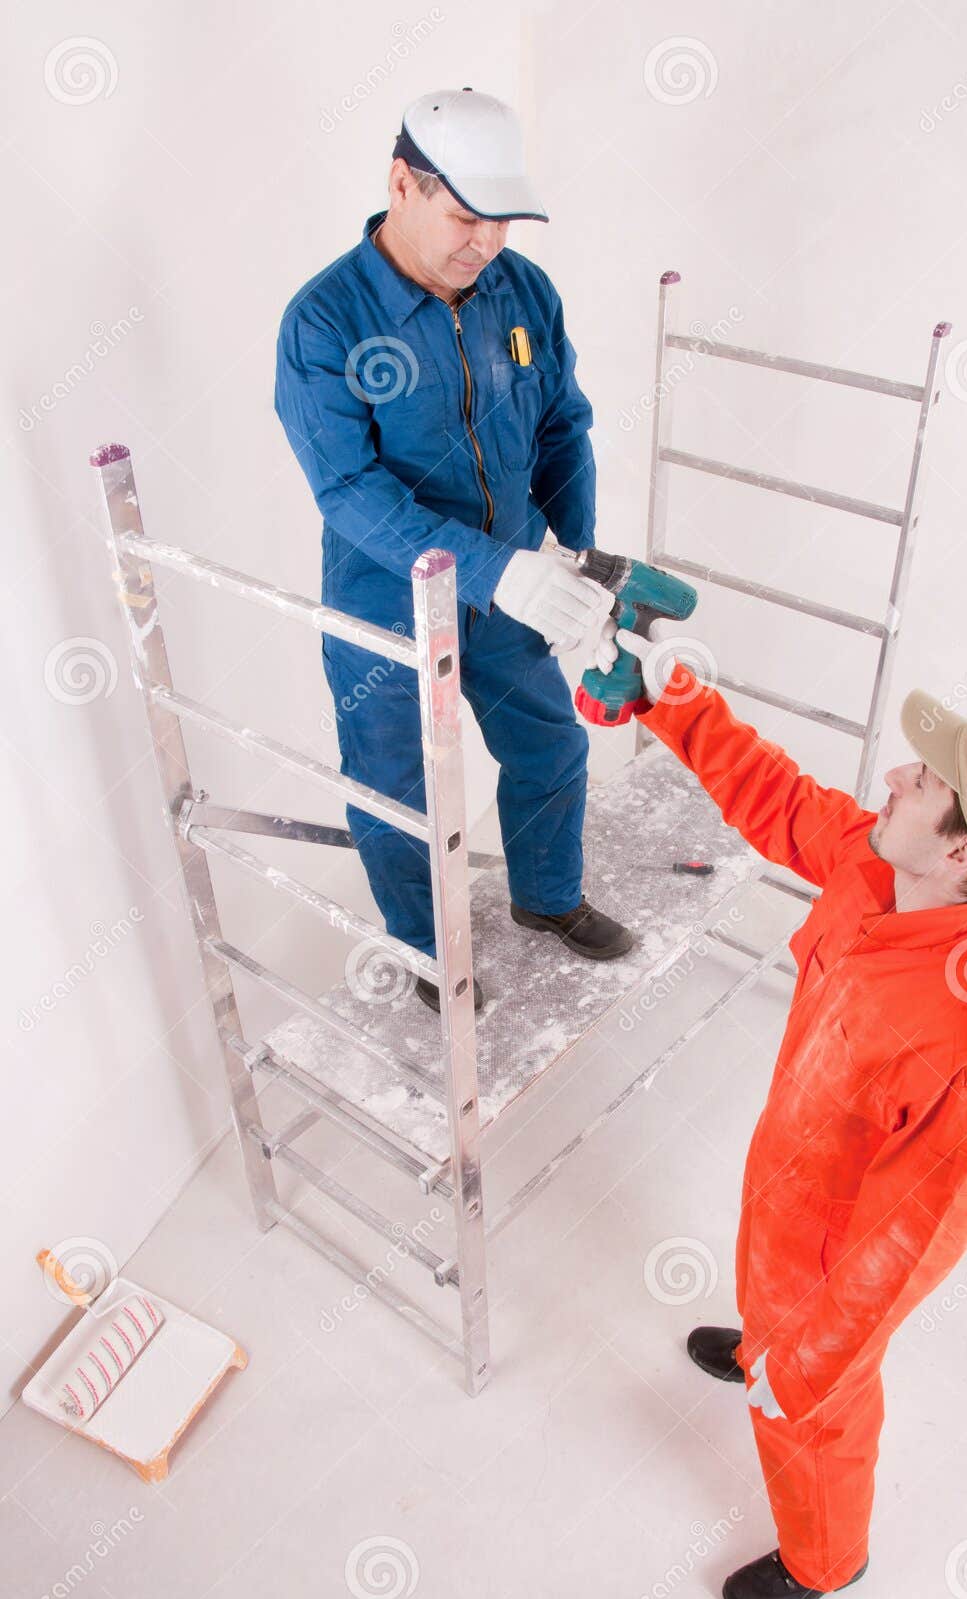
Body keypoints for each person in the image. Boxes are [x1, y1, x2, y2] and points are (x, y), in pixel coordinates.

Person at [607, 619, 967, 1599]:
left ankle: (824, 1560)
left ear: (965, 851)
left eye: (925, 784)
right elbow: (777, 799)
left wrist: (808, 1364)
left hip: (832, 1276)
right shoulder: (883, 867)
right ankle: (764, 1338)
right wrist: (668, 693)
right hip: (784, 1203)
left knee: (817, 1417)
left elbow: (904, 1252)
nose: (897, 775)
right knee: (765, 1298)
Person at [274, 88, 632, 1012]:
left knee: (550, 742)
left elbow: (561, 425)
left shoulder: (521, 292)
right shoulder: (324, 321)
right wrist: (495, 572)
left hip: (511, 582)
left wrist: (580, 564)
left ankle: (547, 899)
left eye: (501, 223)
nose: (486, 244)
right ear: (402, 183)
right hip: (385, 592)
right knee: (399, 792)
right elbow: (349, 490)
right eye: (465, 218)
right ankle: (428, 950)